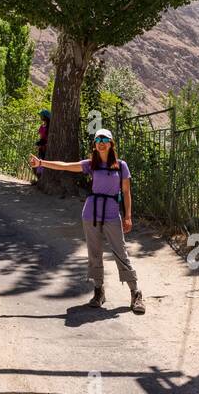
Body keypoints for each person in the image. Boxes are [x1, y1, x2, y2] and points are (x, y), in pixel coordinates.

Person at [29, 128, 144, 314]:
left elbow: (126, 192)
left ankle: (135, 293)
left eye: (105, 139)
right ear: (95, 144)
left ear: (111, 143)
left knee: (120, 252)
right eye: (98, 139)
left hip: (112, 213)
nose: (101, 142)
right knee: (94, 252)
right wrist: (41, 162)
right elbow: (65, 166)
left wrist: (128, 215)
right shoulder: (91, 164)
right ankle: (99, 291)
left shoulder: (121, 166)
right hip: (91, 213)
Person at [33, 108, 51, 183]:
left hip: (48, 148)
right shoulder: (42, 126)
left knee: (44, 163)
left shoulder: (50, 127)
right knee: (38, 162)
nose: (40, 117)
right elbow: (41, 138)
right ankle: (40, 180)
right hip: (42, 147)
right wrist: (39, 144)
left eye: (42, 116)